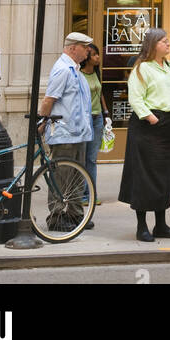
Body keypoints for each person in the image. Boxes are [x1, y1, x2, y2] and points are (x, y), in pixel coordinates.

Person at [119, 27, 170, 242]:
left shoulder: (167, 65)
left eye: (168, 40)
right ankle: (142, 227)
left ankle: (161, 225)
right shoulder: (142, 68)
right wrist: (151, 118)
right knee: (145, 178)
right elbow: (136, 99)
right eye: (164, 41)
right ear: (153, 44)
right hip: (149, 131)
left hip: (168, 132)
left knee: (164, 178)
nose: (168, 43)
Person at [38, 31, 94, 228]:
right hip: (64, 133)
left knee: (77, 177)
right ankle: (56, 218)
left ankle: (76, 215)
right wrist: (41, 122)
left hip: (77, 133)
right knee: (61, 178)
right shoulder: (63, 69)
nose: (88, 50)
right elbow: (49, 100)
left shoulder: (74, 69)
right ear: (72, 48)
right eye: (84, 47)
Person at [80, 42, 111, 204]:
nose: (98, 57)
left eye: (98, 54)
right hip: (84, 119)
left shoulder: (96, 73)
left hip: (97, 118)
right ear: (87, 58)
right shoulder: (79, 75)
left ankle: (91, 193)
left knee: (91, 158)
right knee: (81, 157)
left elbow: (100, 94)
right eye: (94, 55)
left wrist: (105, 113)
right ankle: (81, 193)